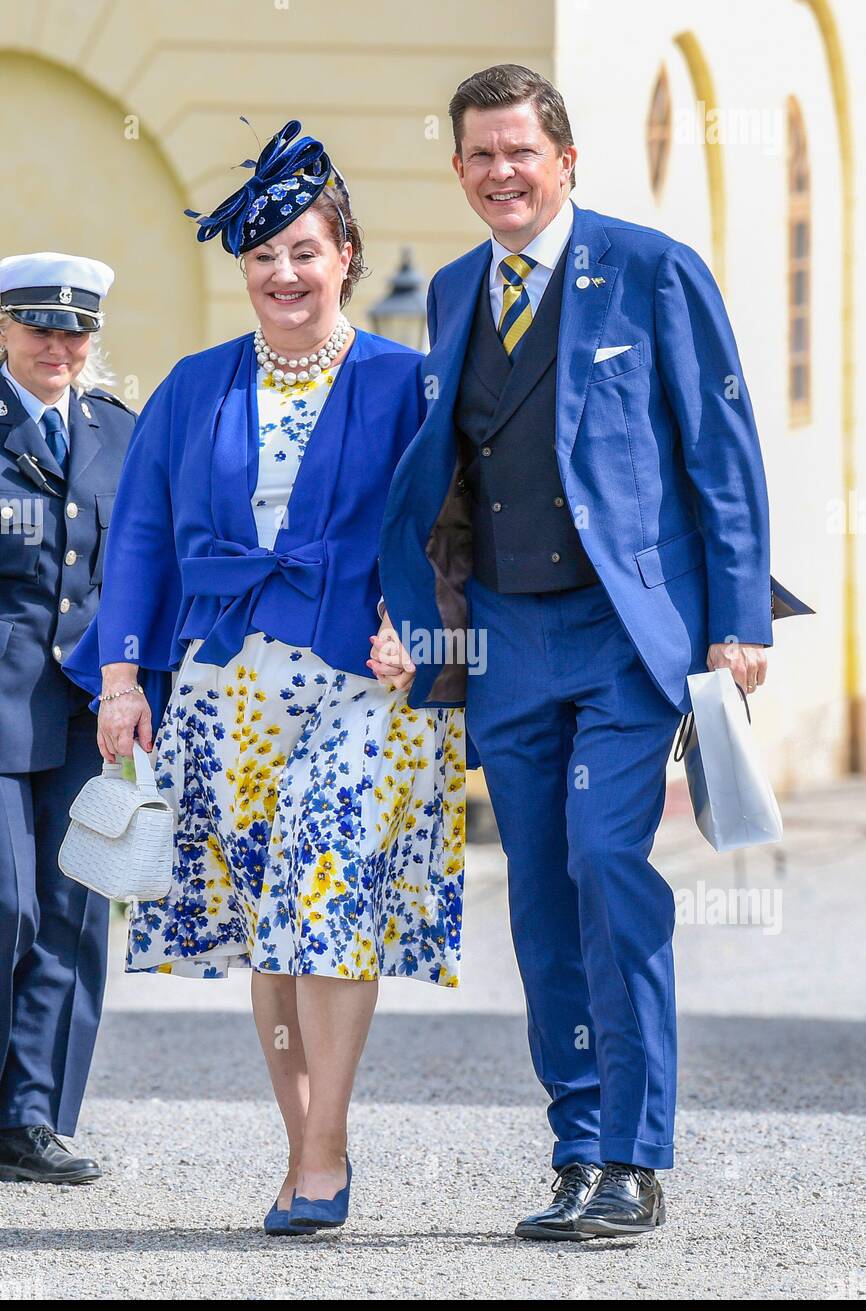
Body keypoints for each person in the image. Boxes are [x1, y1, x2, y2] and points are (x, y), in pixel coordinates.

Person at [374, 65, 808, 1240]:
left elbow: (720, 455)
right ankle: (574, 1147)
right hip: (504, 638)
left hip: (624, 634)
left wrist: (736, 620)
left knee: (605, 866)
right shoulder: (457, 288)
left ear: (565, 160)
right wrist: (420, 624)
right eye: (479, 156)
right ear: (458, 171)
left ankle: (634, 1154)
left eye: (521, 151)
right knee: (534, 903)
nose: (501, 173)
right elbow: (445, 473)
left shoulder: (654, 271)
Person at [63, 120, 466, 1236]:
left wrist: (424, 625)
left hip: (365, 687)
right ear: (242, 269)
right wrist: (122, 680)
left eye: (302, 250)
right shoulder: (193, 388)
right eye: (260, 257)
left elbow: (452, 521)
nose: (282, 274)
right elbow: (139, 539)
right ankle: (300, 1150)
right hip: (223, 690)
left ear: (344, 254)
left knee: (327, 894)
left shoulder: (406, 379)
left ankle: (325, 1155)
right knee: (270, 922)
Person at [0, 252, 134, 1184]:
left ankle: (32, 1117)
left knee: (71, 916)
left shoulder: (117, 430)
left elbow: (141, 563)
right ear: (4, 330)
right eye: (41, 327)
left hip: (91, 714)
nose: (60, 345)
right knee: (6, 904)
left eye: (76, 329)